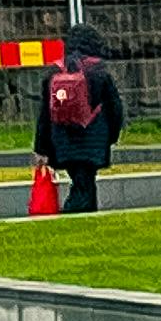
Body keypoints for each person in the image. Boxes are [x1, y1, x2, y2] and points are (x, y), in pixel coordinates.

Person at [34, 25, 125, 212]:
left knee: (81, 181)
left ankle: (86, 215)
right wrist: (112, 136)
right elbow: (115, 108)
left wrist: (41, 148)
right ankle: (74, 213)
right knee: (84, 184)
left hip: (63, 141)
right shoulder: (100, 73)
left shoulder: (54, 73)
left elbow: (45, 115)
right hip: (93, 139)